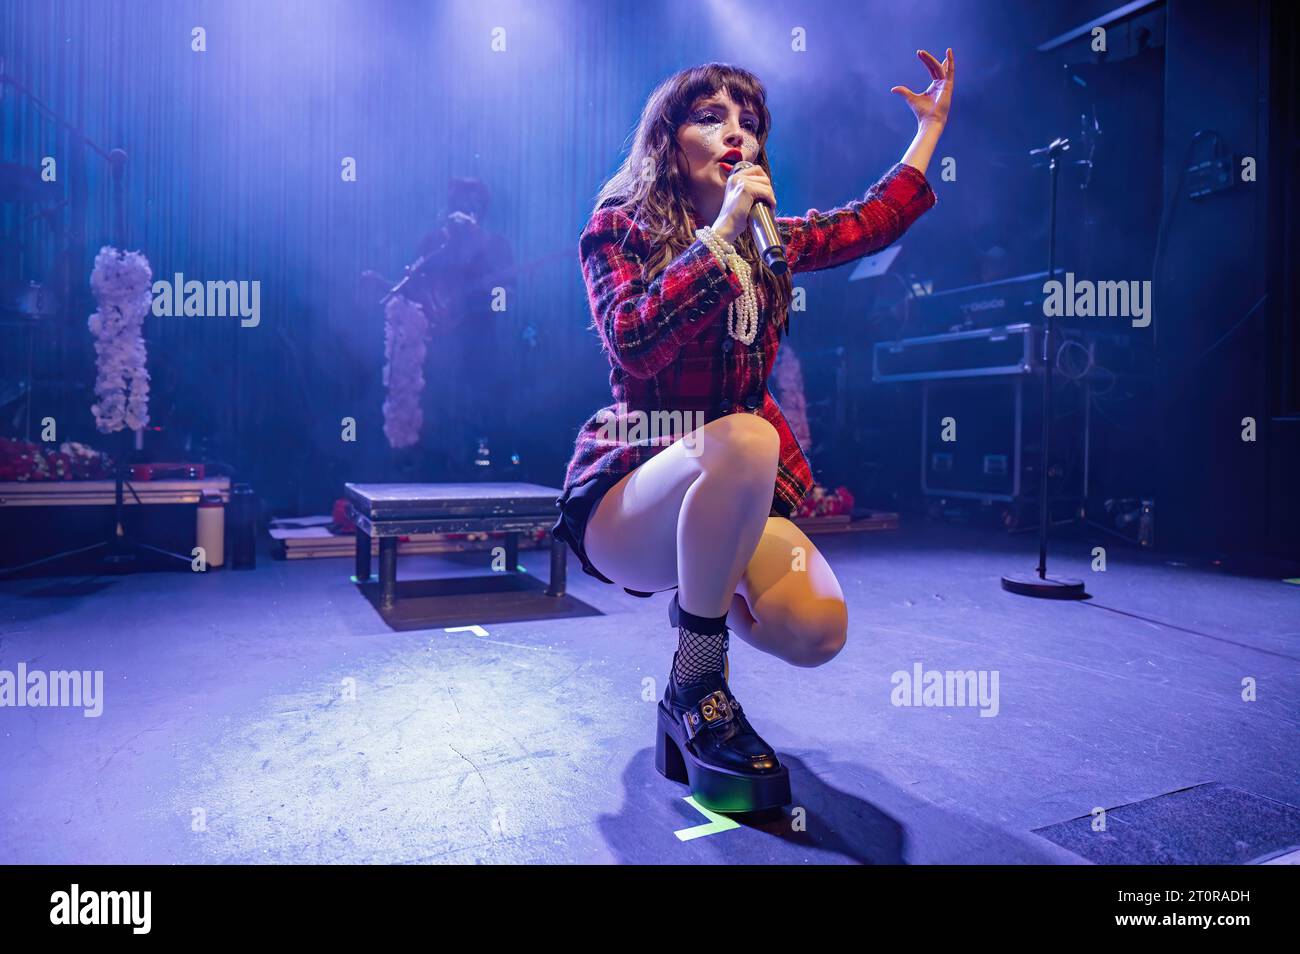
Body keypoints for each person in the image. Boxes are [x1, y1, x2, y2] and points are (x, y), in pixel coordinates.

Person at [553, 53, 954, 812]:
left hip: (729, 490)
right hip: (632, 492)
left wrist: (929, 130)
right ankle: (699, 679)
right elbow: (633, 339)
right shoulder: (619, 229)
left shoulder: (774, 242)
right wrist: (721, 237)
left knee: (815, 627)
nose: (738, 133)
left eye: (751, 123)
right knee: (747, 438)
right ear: (669, 142)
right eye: (712, 117)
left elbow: (870, 220)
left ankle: (704, 609)